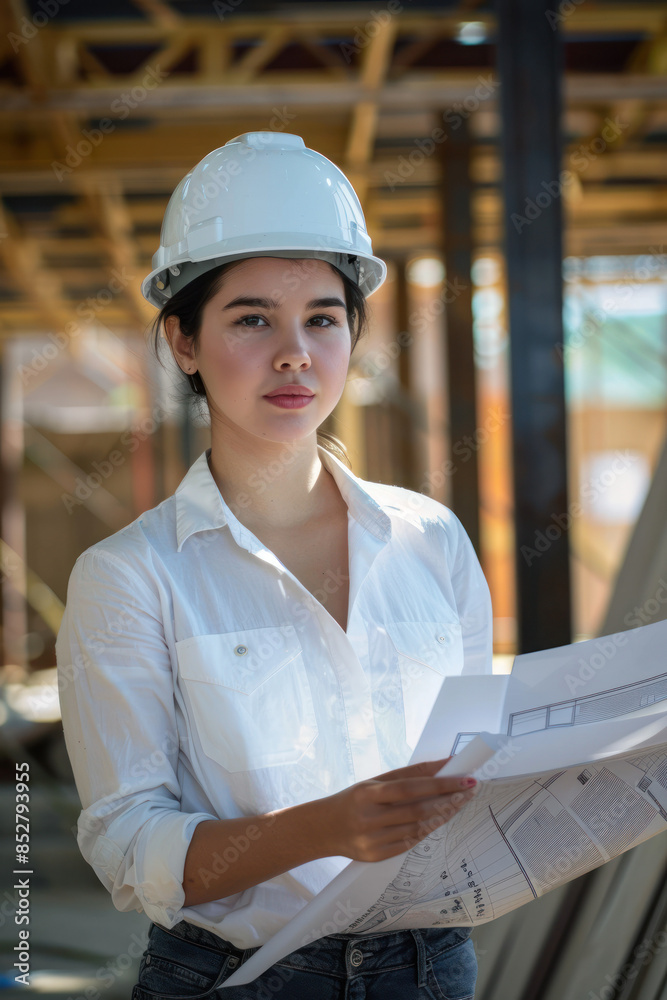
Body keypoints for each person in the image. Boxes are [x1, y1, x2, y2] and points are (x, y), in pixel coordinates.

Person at [56, 131, 493, 999]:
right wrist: (323, 828)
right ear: (183, 342)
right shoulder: (132, 576)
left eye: (322, 319)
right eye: (252, 318)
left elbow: (472, 762)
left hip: (433, 969)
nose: (295, 352)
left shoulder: (430, 537)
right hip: (238, 977)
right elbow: (125, 846)